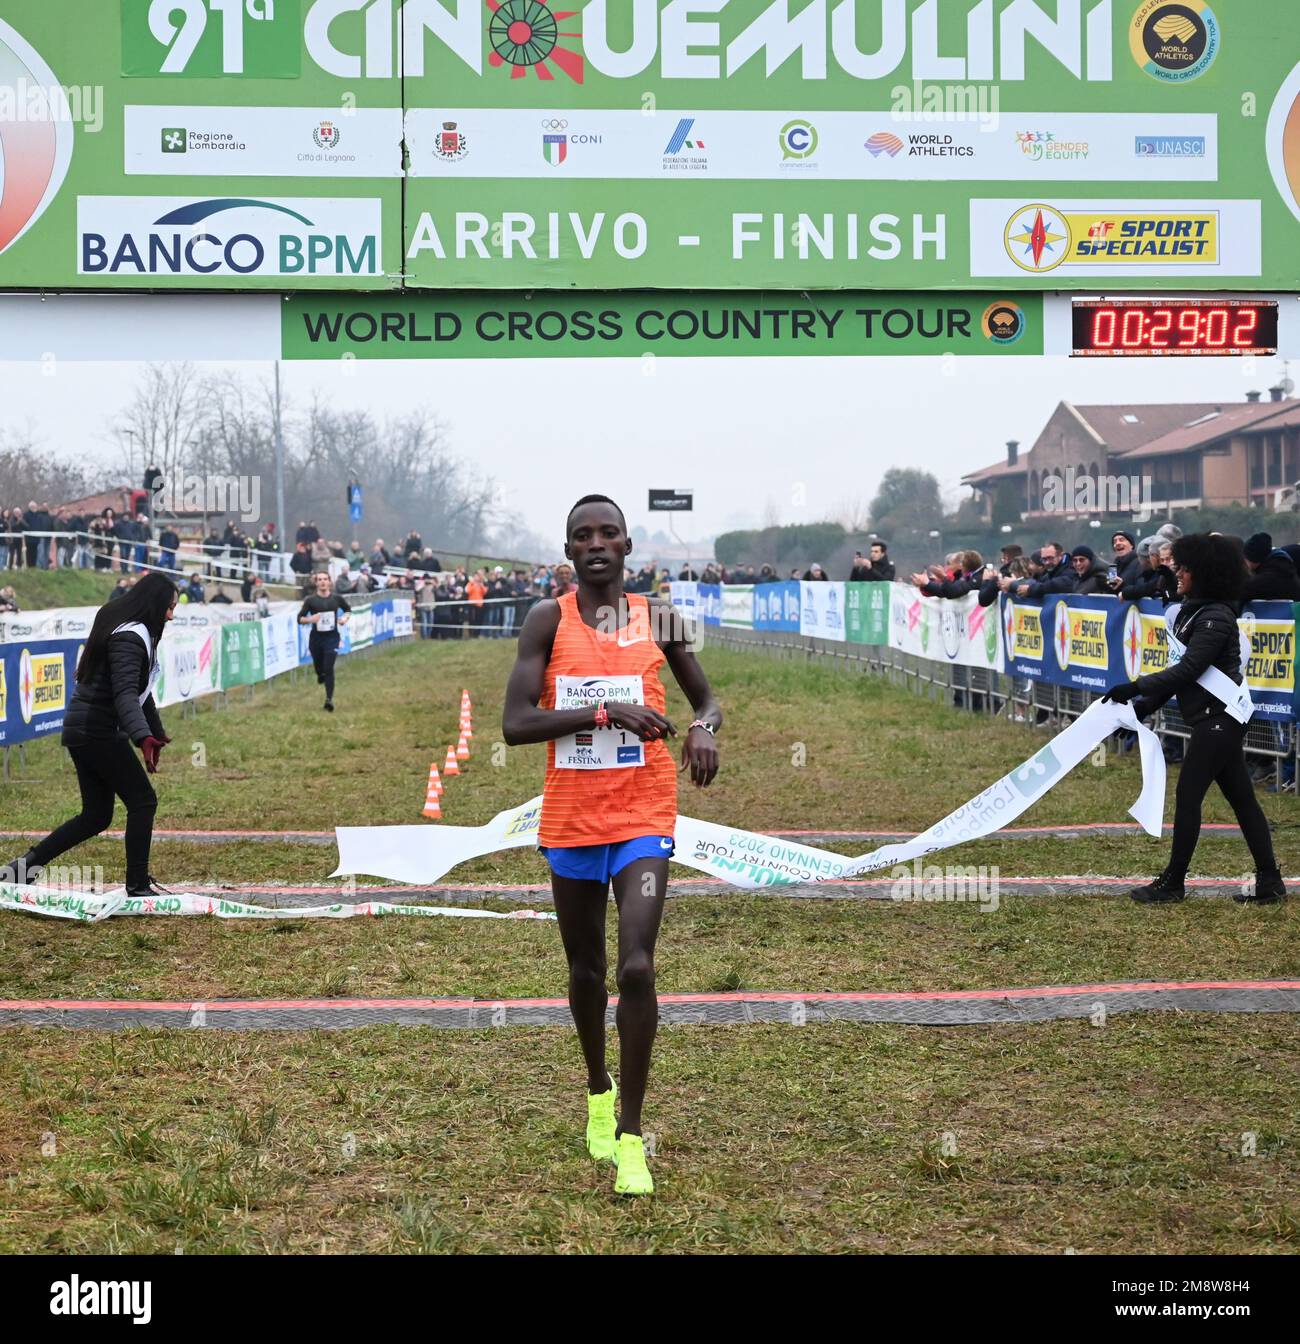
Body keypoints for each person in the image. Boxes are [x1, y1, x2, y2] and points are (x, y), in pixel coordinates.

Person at [503, 495, 721, 1196]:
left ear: (629, 545)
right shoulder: (547, 619)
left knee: (636, 967)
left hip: (643, 816)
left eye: (607, 532)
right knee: (586, 973)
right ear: (569, 552)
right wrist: (602, 711)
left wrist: (703, 729)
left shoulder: (660, 617)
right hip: (571, 821)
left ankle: (631, 1136)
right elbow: (514, 723)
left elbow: (706, 700)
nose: (595, 543)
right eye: (581, 535)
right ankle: (597, 1087)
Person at [1102, 533, 1284, 906]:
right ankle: (1270, 881)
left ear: (1204, 573)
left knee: (1189, 796)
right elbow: (1180, 670)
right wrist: (1144, 705)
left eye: (1183, 568)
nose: (1177, 572)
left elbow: (1190, 669)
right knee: (1243, 801)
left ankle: (1173, 882)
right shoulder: (1193, 612)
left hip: (1220, 719)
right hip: (1212, 719)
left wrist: (1135, 686)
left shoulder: (1216, 616)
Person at [2, 573, 177, 896]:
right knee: (143, 802)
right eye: (169, 607)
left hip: (83, 730)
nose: (172, 615)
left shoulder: (128, 629)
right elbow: (125, 694)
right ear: (154, 604)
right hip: (98, 731)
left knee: (96, 816)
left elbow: (142, 692)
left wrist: (155, 733)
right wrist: (141, 737)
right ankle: (137, 884)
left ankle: (21, 869)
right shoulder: (131, 636)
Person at [298, 571, 350, 712]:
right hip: (316, 639)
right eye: (319, 579)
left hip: (332, 638)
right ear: (316, 583)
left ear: (329, 582)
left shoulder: (337, 599)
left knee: (329, 667)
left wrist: (344, 619)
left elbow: (347, 610)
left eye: (325, 579)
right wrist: (310, 619)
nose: (322, 582)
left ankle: (329, 700)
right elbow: (299, 618)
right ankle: (319, 674)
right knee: (319, 667)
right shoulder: (310, 600)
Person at [1243, 532, 1300, 601]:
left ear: (1253, 559)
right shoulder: (1282, 565)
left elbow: (1240, 594)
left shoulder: (1266, 578)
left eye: (1245, 558)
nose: (1244, 561)